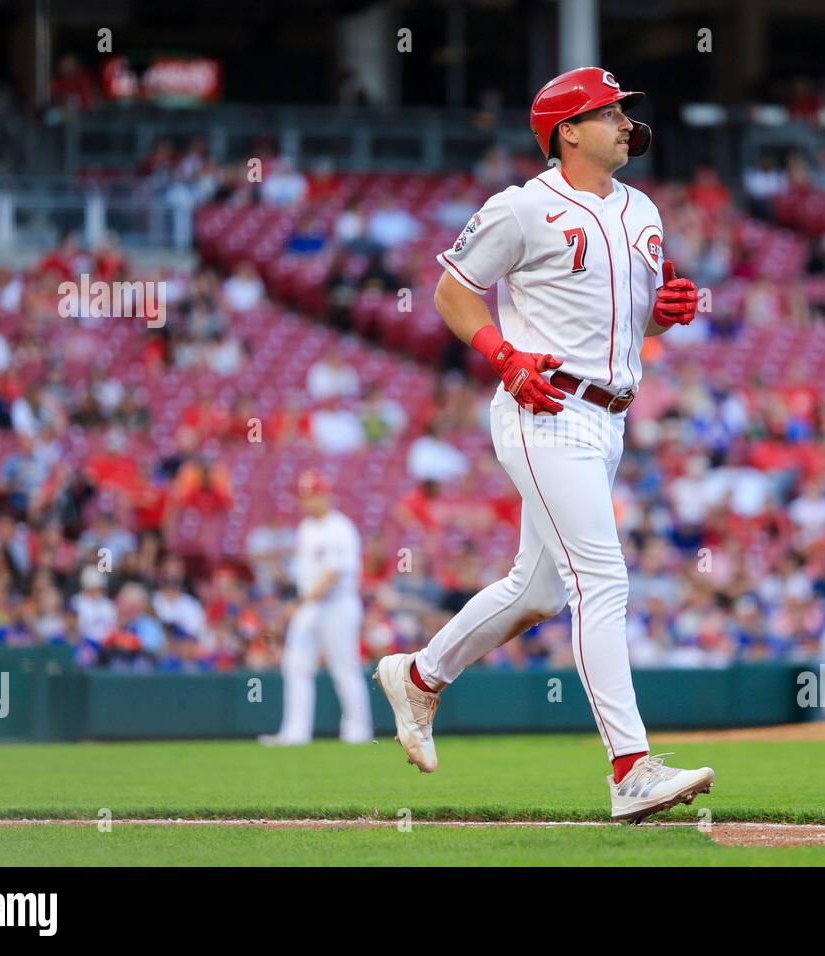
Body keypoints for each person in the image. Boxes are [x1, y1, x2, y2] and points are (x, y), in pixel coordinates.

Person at [371, 67, 714, 823]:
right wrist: (502, 355)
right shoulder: (523, 207)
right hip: (544, 406)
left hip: (610, 415)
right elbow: (453, 291)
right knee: (602, 580)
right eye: (611, 112)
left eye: (626, 111)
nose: (626, 121)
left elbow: (633, 324)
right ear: (567, 130)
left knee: (537, 593)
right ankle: (630, 770)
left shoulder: (643, 209)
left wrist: (662, 315)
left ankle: (421, 677)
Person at [260, 470, 371, 746]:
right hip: (310, 605)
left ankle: (357, 731)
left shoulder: (340, 527)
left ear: (325, 495)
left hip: (338, 605)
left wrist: (295, 605)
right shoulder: (306, 528)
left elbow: (331, 576)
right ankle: (295, 732)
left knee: (344, 668)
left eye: (312, 495)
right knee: (296, 666)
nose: (307, 502)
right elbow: (307, 575)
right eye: (304, 496)